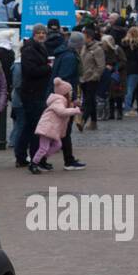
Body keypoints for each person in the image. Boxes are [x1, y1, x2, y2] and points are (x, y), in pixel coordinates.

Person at [15, 25, 51, 168]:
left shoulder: (41, 48)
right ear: (34, 34)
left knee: (30, 126)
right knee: (35, 126)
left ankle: (23, 155)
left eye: (43, 33)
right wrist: (48, 68)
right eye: (38, 33)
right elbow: (30, 70)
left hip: (38, 92)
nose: (41, 35)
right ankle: (34, 158)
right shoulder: (30, 49)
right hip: (31, 93)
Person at [29, 79, 80, 175]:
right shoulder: (59, 101)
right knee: (43, 148)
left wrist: (74, 105)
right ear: (64, 93)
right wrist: (75, 110)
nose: (71, 94)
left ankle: (41, 159)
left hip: (51, 129)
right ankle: (34, 163)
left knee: (57, 145)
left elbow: (66, 109)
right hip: (47, 128)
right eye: (70, 92)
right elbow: (62, 112)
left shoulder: (62, 101)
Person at [53, 32, 87, 170]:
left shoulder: (63, 53)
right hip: (65, 97)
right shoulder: (70, 57)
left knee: (61, 129)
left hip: (62, 96)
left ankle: (68, 158)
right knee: (64, 129)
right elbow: (65, 79)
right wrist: (71, 99)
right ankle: (68, 160)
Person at [79, 27, 106, 130]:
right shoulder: (84, 47)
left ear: (89, 38)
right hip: (83, 78)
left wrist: (94, 76)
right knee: (90, 100)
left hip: (92, 79)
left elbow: (101, 66)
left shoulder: (97, 49)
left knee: (88, 101)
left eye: (84, 37)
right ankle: (94, 122)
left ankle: (82, 121)